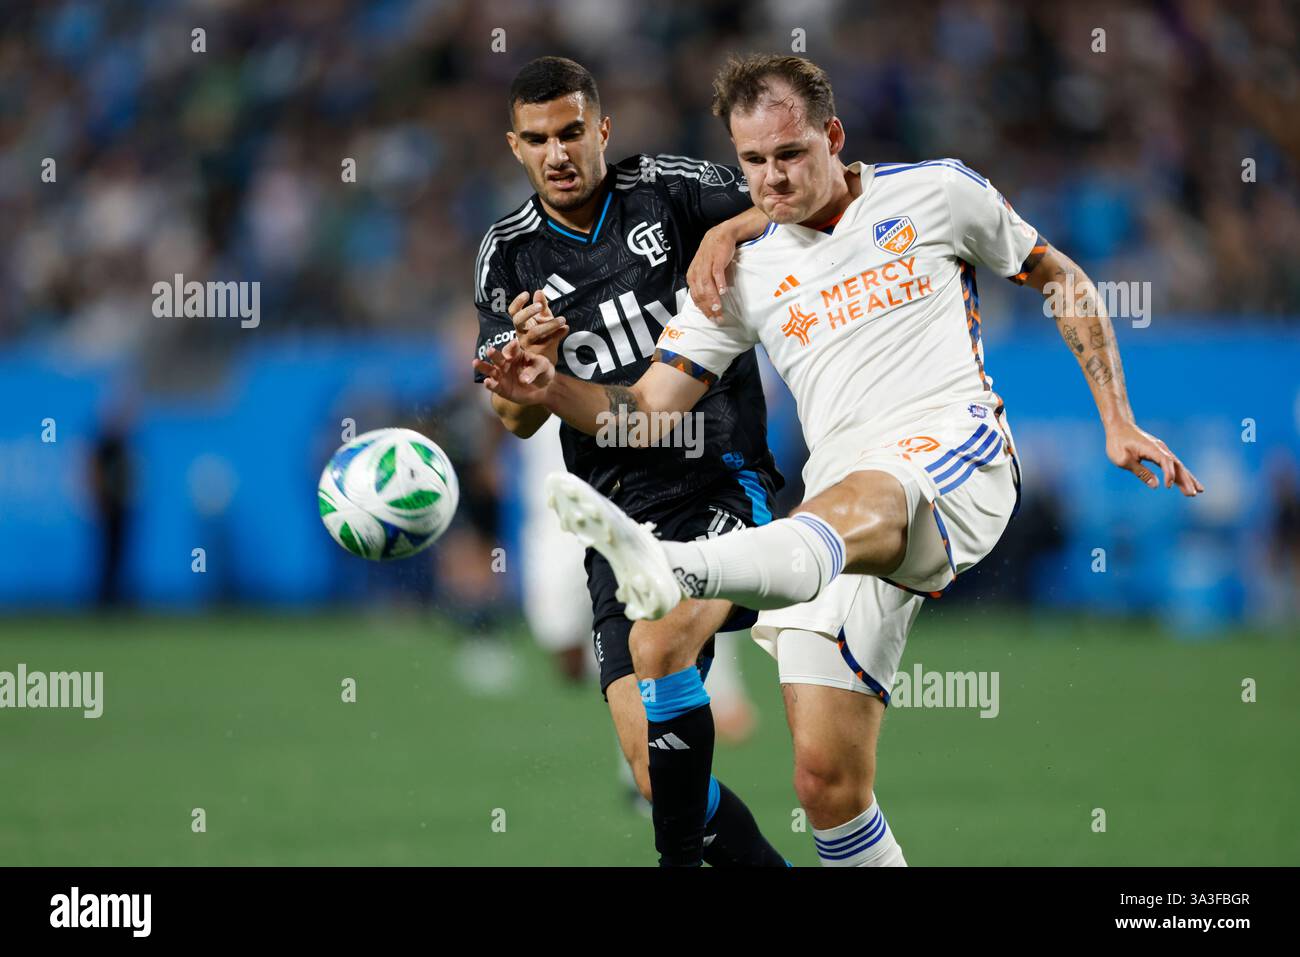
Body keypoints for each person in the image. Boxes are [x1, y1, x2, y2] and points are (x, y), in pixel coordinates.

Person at [477, 54, 1204, 867]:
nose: (770, 178)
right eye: (752, 162)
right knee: (827, 781)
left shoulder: (934, 191)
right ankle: (682, 582)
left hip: (951, 452)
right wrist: (548, 386)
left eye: (789, 155)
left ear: (833, 136)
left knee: (852, 500)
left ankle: (680, 567)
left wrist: (1117, 417)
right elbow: (643, 413)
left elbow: (1055, 274)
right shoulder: (740, 276)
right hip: (837, 511)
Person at [472, 56, 785, 866]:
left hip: (721, 482)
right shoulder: (506, 256)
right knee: (655, 771)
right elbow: (510, 415)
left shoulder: (672, 191)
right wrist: (526, 375)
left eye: (573, 131)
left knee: (665, 650)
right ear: (515, 146)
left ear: (602, 128)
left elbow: (792, 199)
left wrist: (730, 227)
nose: (558, 152)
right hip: (616, 520)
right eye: (538, 139)